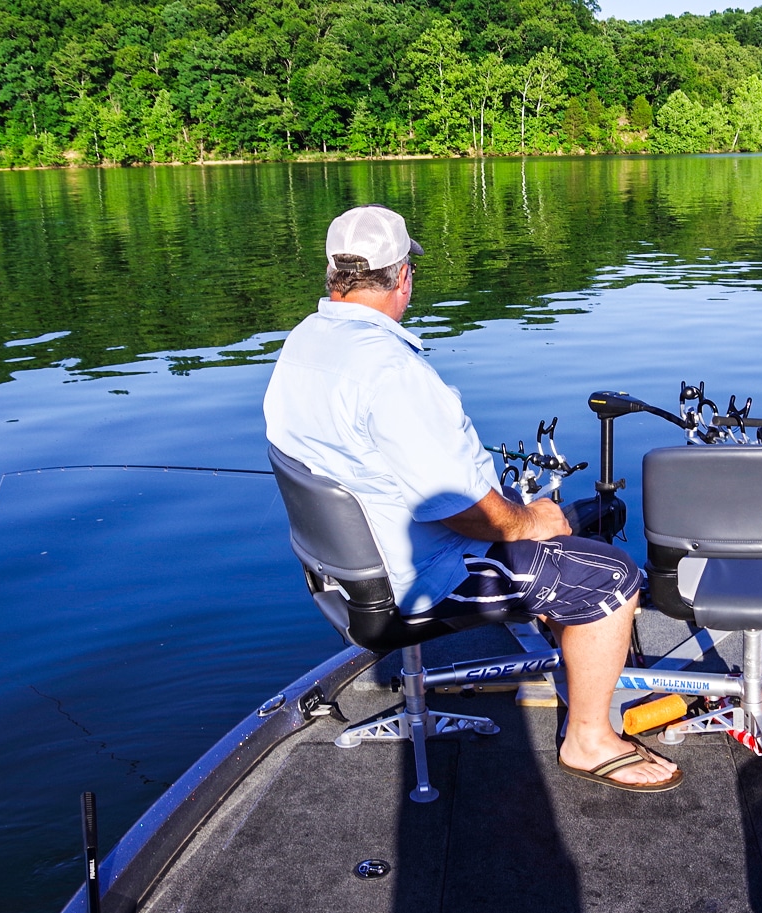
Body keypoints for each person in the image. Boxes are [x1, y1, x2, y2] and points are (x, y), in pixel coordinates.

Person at [264, 205, 680, 792]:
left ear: (334, 274)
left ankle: (564, 633)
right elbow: (468, 512)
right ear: (403, 276)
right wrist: (529, 519)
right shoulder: (390, 371)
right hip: (418, 578)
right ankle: (588, 740)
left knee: (552, 530)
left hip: (341, 573)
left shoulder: (305, 341)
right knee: (610, 576)